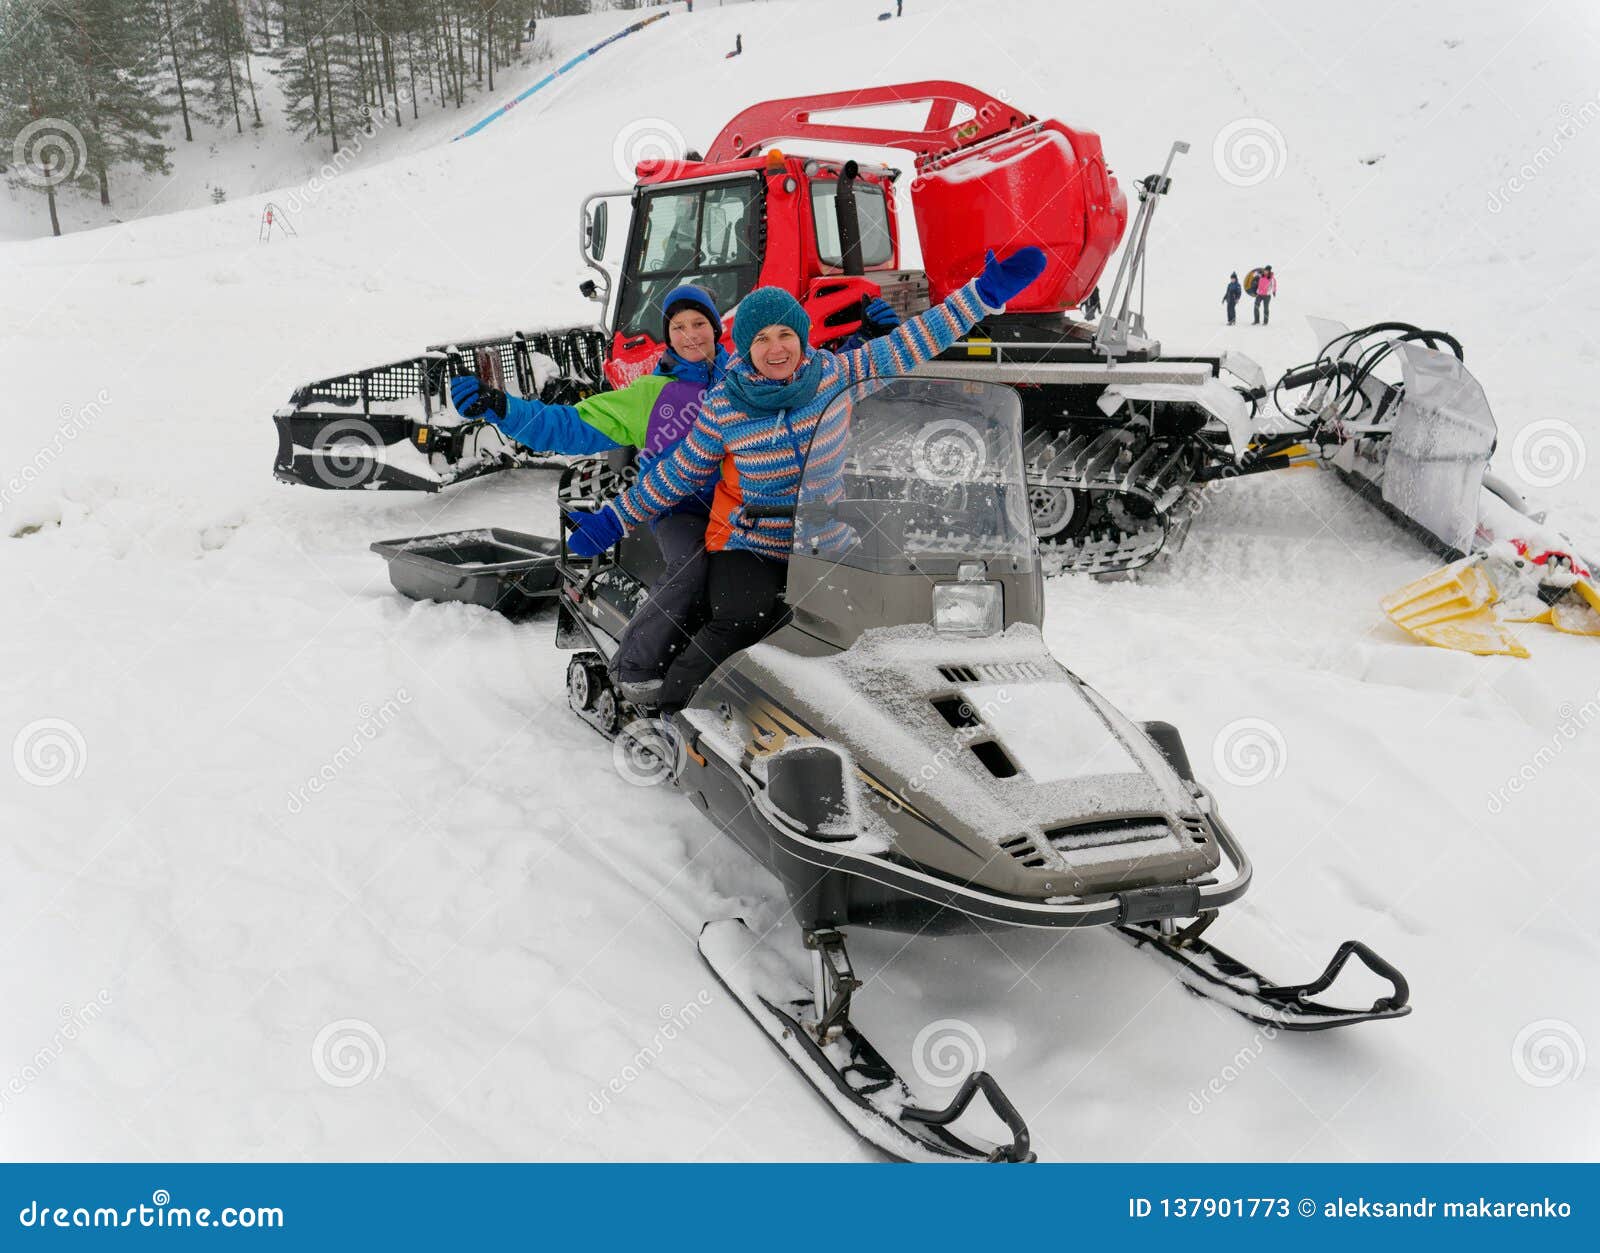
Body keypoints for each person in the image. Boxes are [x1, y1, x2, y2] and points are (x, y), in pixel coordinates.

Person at [566, 246, 1047, 712]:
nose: (775, 349)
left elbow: (913, 341)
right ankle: (678, 707)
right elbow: (675, 475)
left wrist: (982, 295)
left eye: (784, 335)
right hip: (749, 540)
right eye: (760, 339)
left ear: (802, 337)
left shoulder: (835, 376)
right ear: (746, 347)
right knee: (740, 619)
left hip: (821, 537)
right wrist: (614, 519)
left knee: (867, 621)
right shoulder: (726, 406)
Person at [449, 285, 728, 705]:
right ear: (668, 336)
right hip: (675, 508)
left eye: (699, 324)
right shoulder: (650, 395)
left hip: (737, 503)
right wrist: (499, 407)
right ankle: (636, 663)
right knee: (691, 569)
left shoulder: (743, 379)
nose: (691, 335)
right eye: (679, 326)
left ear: (716, 329)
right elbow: (569, 426)